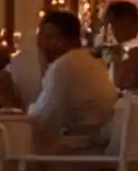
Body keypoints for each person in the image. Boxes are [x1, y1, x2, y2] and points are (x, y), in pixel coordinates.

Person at [28, 10, 118, 151]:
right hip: (98, 149)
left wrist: (20, 110)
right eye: (41, 39)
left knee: (15, 152)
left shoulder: (65, 66)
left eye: (49, 38)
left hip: (81, 158)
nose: (43, 45)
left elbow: (44, 121)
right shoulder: (91, 61)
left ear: (69, 39)